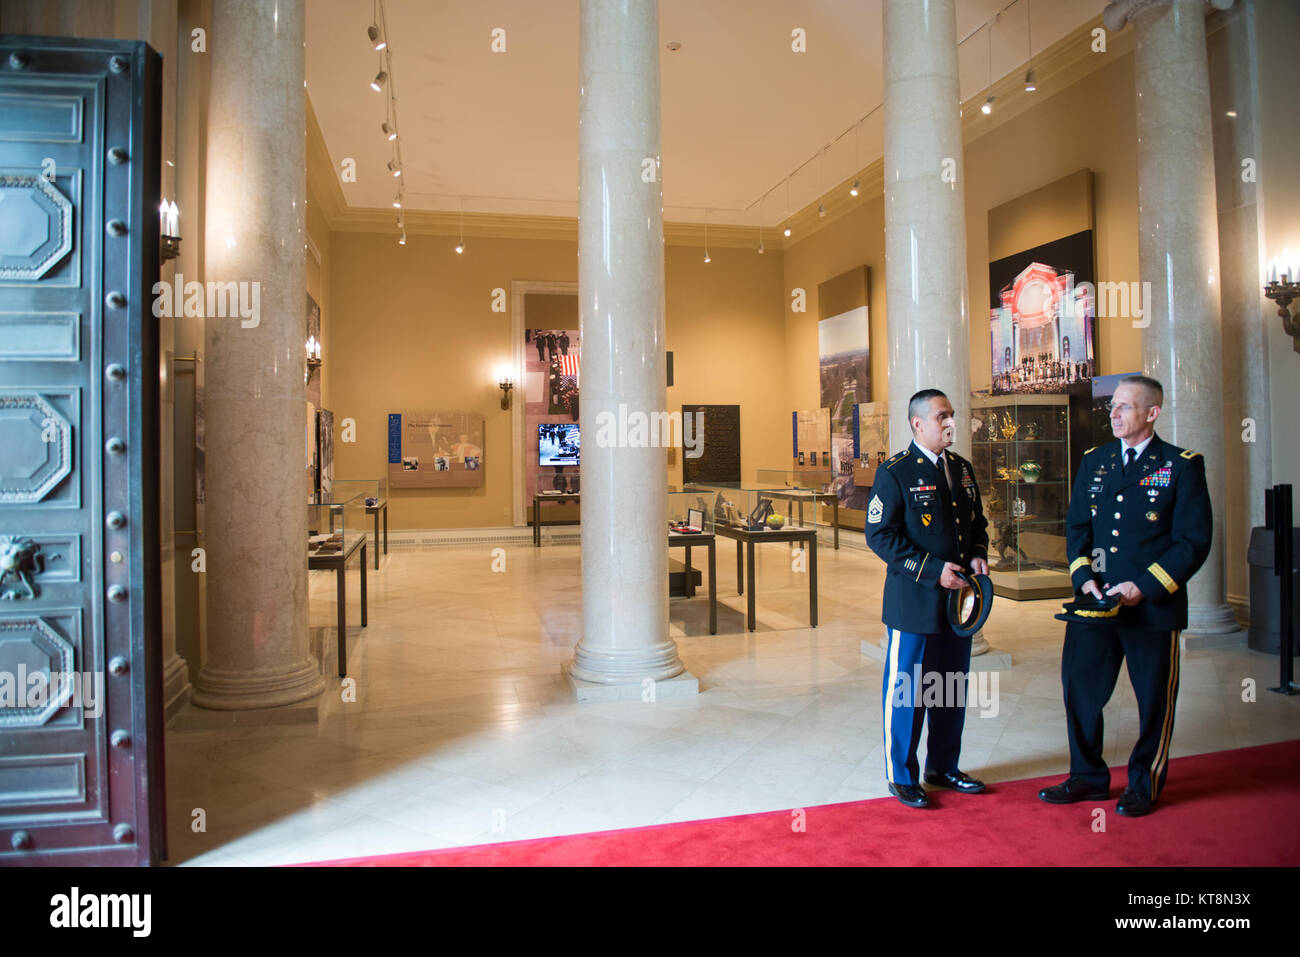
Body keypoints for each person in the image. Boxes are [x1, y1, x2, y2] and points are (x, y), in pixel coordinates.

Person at [1039, 374, 1212, 817]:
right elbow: (1077, 528)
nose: (1113, 414)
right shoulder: (1095, 461)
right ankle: (1087, 777)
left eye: (1125, 407)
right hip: (1095, 605)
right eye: (1112, 406)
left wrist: (1145, 586)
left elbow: (1192, 541)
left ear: (1151, 413)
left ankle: (1144, 782)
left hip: (1152, 605)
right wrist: (1084, 580)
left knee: (1153, 699)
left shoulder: (1180, 465)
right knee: (1080, 690)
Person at [866, 389, 990, 809]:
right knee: (907, 691)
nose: (950, 422)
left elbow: (977, 524)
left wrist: (978, 555)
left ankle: (944, 766)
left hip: (959, 605)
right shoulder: (895, 472)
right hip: (914, 601)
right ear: (918, 423)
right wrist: (935, 570)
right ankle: (902, 775)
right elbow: (880, 535)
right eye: (942, 416)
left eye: (952, 415)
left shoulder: (962, 469)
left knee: (950, 687)